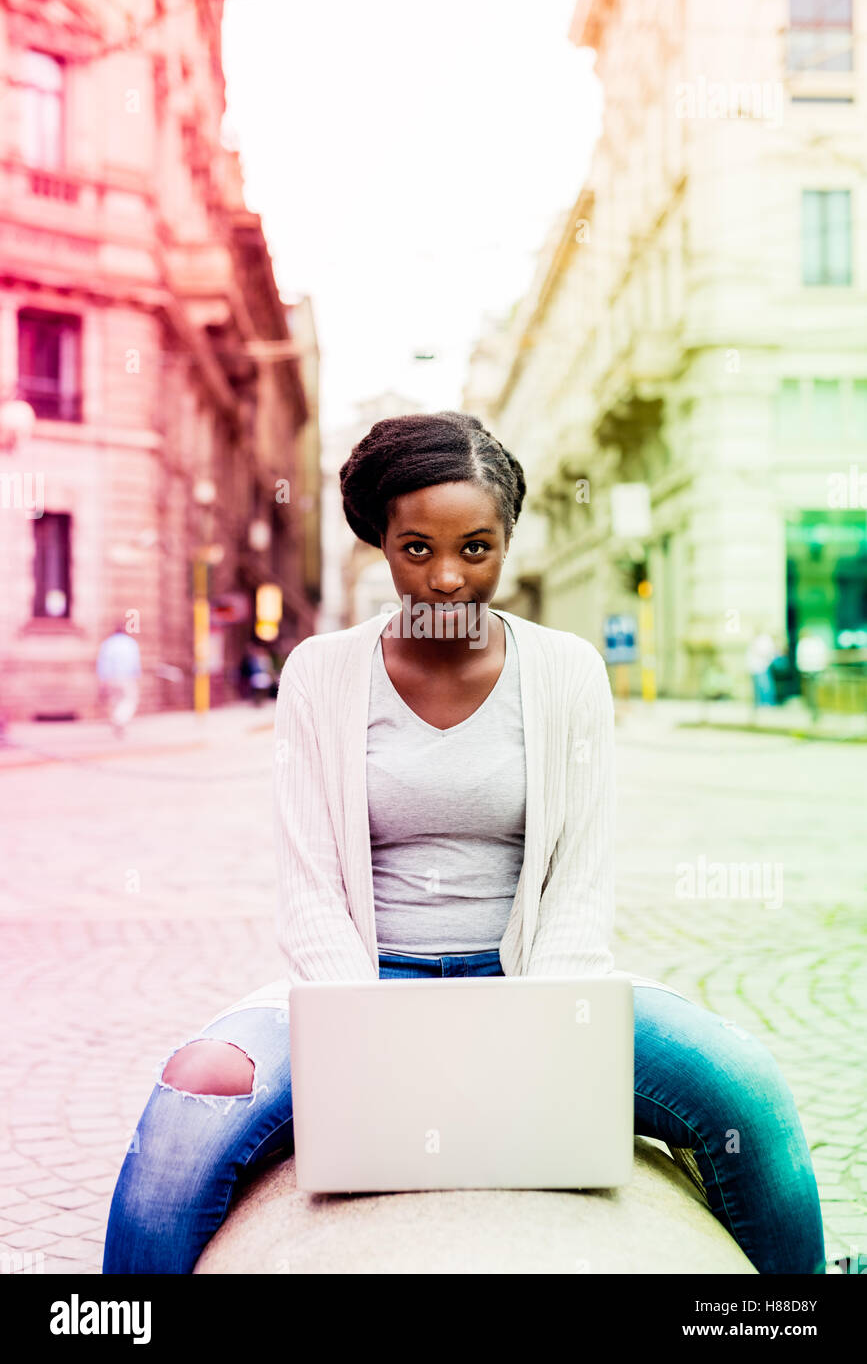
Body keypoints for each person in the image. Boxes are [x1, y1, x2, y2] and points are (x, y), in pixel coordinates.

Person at [101, 411, 826, 1275]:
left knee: (746, 1090)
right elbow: (310, 888)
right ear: (379, 539)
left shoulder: (565, 671)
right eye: (416, 550)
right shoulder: (322, 673)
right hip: (362, 982)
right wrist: (363, 1043)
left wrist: (546, 1037)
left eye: (475, 549)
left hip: (529, 978)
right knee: (190, 1097)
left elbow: (577, 885)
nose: (446, 578)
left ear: (508, 539)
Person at [96, 622, 142, 738]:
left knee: (115, 700)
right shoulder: (130, 643)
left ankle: (117, 719)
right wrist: (137, 675)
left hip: (110, 678)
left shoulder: (108, 643)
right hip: (127, 677)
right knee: (130, 700)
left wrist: (102, 680)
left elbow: (102, 662)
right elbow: (135, 663)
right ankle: (120, 720)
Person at [745, 632, 777, 707]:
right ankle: (763, 703)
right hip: (758, 667)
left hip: (761, 667)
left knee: (763, 686)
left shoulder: (762, 640)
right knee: (761, 687)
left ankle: (766, 703)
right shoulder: (758, 641)